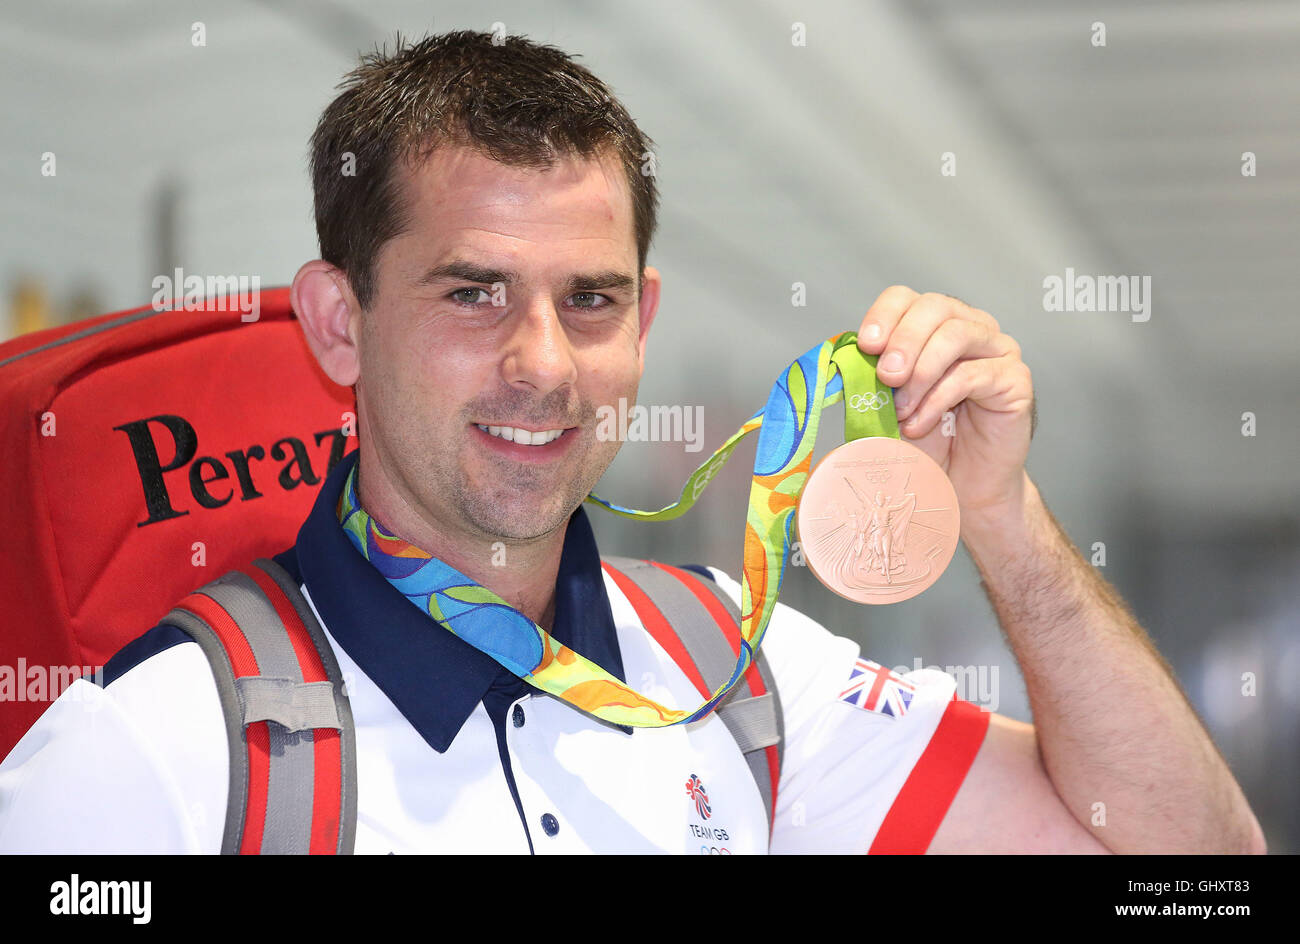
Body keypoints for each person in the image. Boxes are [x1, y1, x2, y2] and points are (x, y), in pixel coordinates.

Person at [0, 30, 1265, 855]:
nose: (543, 362)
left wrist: (1003, 514)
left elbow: (1188, 858)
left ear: (643, 322)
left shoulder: (742, 673)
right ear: (341, 321)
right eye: (472, 290)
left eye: (590, 298)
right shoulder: (158, 754)